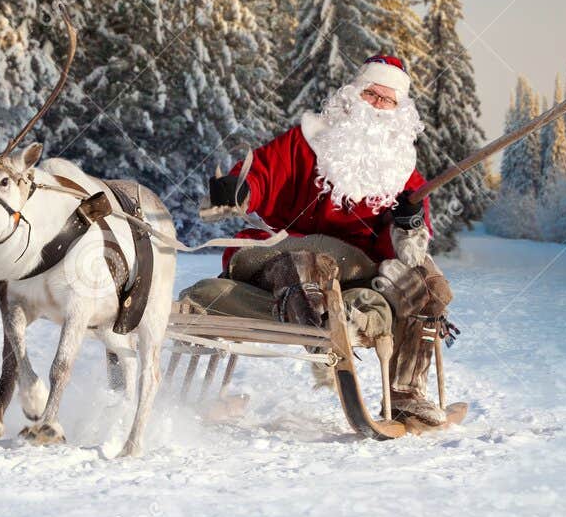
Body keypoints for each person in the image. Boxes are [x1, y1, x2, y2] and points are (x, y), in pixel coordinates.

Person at [179, 54, 456, 427]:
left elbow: (410, 251)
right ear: (351, 95)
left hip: (358, 268)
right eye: (370, 95)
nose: (376, 106)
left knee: (427, 281)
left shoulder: (405, 175)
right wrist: (240, 188)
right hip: (283, 249)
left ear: (399, 111)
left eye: (387, 100)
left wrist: (408, 223)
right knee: (308, 263)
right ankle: (323, 333)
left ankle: (407, 395)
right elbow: (260, 174)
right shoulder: (306, 141)